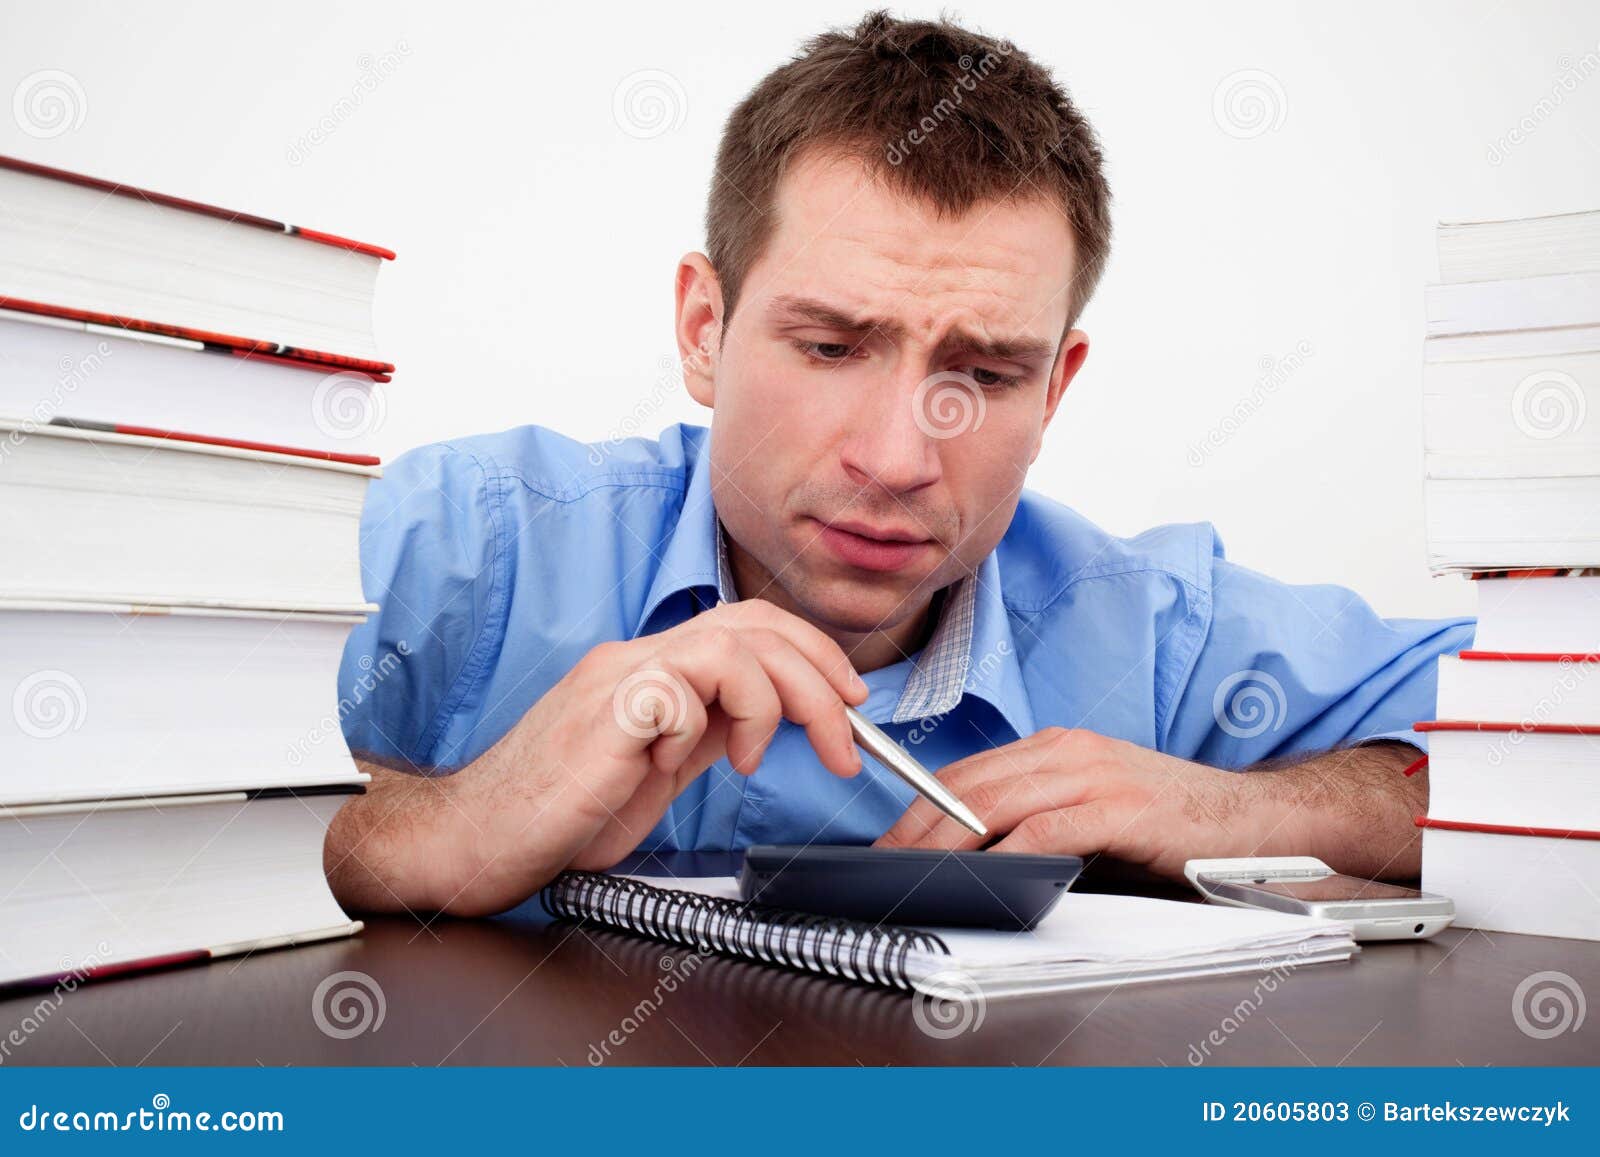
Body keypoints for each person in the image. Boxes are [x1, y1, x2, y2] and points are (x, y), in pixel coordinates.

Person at [325, 11, 1471, 916]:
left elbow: (1546, 744)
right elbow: (147, 768)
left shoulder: (1152, 633)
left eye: (983, 373)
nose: (896, 459)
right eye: (830, 347)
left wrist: (1232, 806)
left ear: (1056, 386)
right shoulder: (464, 548)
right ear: (702, 330)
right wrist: (444, 820)